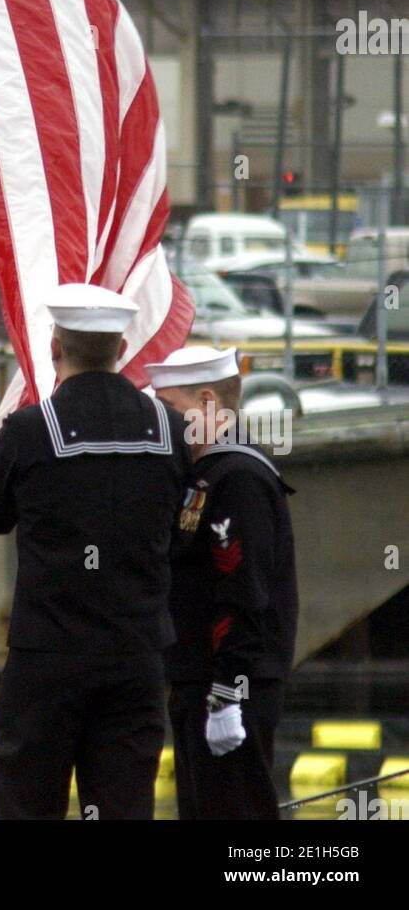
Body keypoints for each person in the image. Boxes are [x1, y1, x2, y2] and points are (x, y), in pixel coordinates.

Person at [0, 285, 193, 821]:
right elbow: (183, 529)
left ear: (54, 347)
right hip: (137, 653)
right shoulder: (169, 429)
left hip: (49, 655)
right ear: (122, 347)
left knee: (27, 802)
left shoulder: (31, 429)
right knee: (123, 804)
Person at [146, 344, 298, 821]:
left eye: (170, 408)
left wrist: (228, 692)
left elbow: (243, 592)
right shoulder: (205, 474)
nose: (162, 422)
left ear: (208, 403)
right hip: (200, 679)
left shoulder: (239, 478)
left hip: (231, 684)